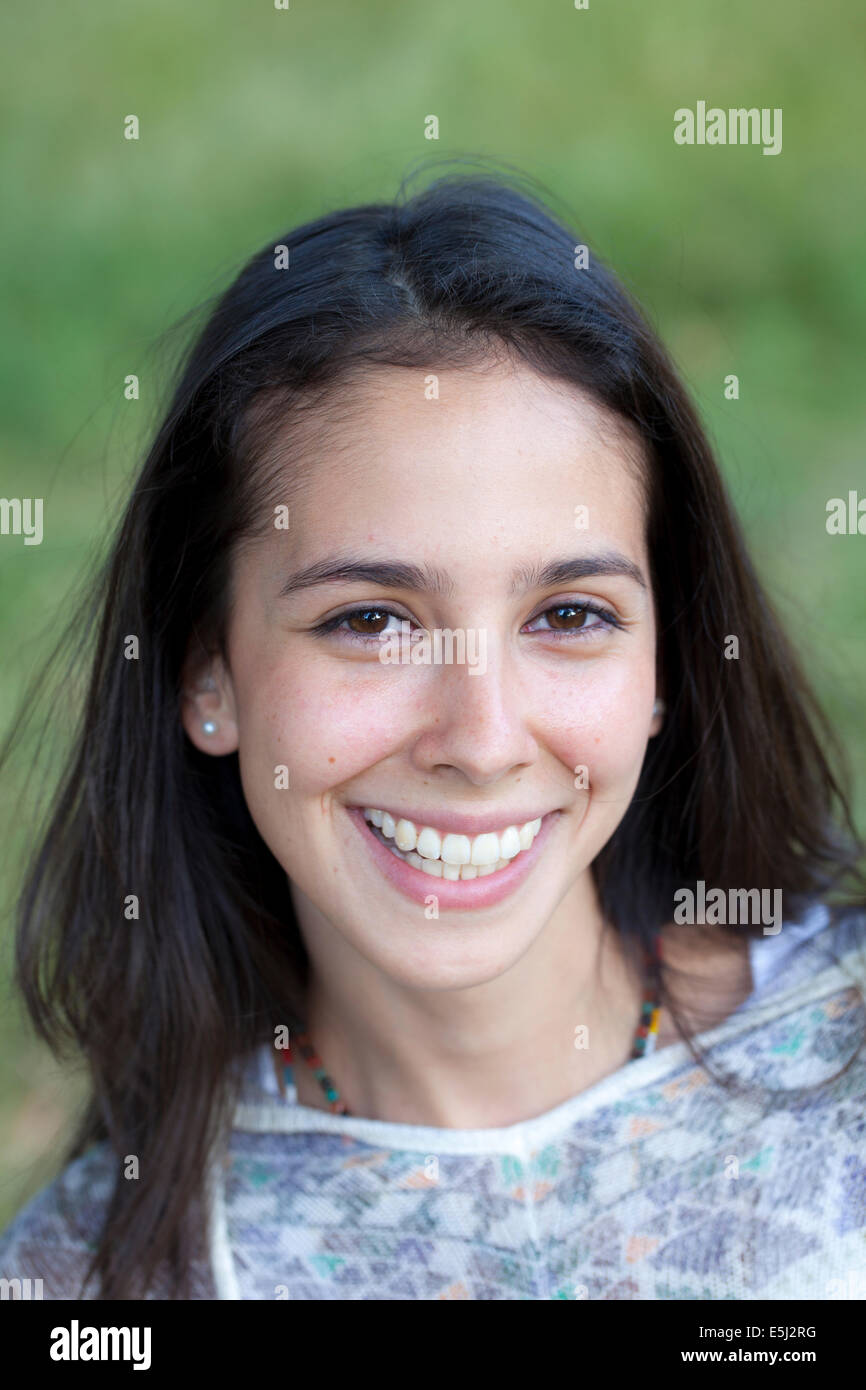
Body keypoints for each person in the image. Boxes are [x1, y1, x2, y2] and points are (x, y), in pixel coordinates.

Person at [1, 165, 864, 1301]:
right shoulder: (95, 1288)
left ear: (663, 665)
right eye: (369, 620)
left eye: (567, 616)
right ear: (205, 670)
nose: (482, 736)